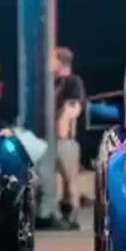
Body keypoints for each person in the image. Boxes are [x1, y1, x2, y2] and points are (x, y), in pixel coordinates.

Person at [46, 47, 86, 229]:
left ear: (60, 62)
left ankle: (72, 216)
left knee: (70, 180)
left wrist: (63, 126)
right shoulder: (52, 83)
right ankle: (58, 215)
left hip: (65, 139)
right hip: (52, 138)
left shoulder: (73, 82)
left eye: (52, 59)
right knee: (56, 178)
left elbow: (74, 107)